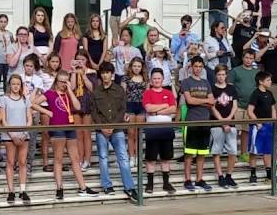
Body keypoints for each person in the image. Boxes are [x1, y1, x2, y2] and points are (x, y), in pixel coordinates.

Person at [39, 70, 97, 199]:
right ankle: (59, 188)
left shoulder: (69, 94)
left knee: (75, 159)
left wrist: (70, 90)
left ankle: (83, 187)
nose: (63, 84)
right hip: (57, 127)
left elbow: (77, 106)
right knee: (58, 158)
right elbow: (33, 103)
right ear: (56, 81)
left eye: (66, 81)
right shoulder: (50, 93)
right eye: (61, 81)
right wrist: (47, 112)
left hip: (70, 127)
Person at [89, 61, 138, 200]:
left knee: (123, 157)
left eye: (107, 73)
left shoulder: (119, 90)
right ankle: (106, 185)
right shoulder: (96, 91)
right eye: (103, 73)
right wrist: (103, 127)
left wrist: (113, 126)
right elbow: (94, 112)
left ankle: (129, 187)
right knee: (103, 158)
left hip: (117, 129)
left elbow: (122, 109)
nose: (105, 75)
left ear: (112, 74)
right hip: (101, 130)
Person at [0, 74, 36, 205]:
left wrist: (25, 133)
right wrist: (12, 135)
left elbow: (29, 118)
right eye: (13, 84)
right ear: (10, 85)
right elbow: (3, 119)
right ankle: (11, 191)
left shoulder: (25, 99)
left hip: (24, 135)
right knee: (10, 162)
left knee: (23, 162)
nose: (15, 86)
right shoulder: (4, 99)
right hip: (10, 136)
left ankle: (22, 190)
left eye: (18, 84)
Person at [178, 56, 213, 191]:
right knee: (189, 154)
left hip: (205, 120)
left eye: (200, 66)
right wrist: (204, 101)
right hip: (192, 120)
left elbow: (212, 101)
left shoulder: (206, 82)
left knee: (201, 153)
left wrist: (199, 100)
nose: (197, 69)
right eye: (195, 66)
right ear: (191, 67)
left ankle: (199, 179)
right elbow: (189, 101)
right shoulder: (186, 82)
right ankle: (187, 179)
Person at [141, 68, 177, 194]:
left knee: (166, 158)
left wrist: (156, 110)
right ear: (151, 80)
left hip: (166, 129)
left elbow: (173, 109)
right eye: (154, 78)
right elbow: (148, 108)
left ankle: (166, 183)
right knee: (151, 158)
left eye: (159, 78)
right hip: (152, 130)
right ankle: (149, 184)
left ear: (163, 79)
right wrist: (163, 106)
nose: (156, 80)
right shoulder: (147, 93)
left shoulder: (169, 93)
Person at [206, 65, 239, 188]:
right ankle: (220, 176)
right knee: (216, 150)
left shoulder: (231, 88)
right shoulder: (212, 89)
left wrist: (229, 119)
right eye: (219, 74)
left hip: (230, 122)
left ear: (226, 75)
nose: (221, 77)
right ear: (216, 75)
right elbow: (212, 108)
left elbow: (235, 105)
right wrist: (222, 122)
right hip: (216, 123)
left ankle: (229, 175)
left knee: (233, 151)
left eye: (223, 74)